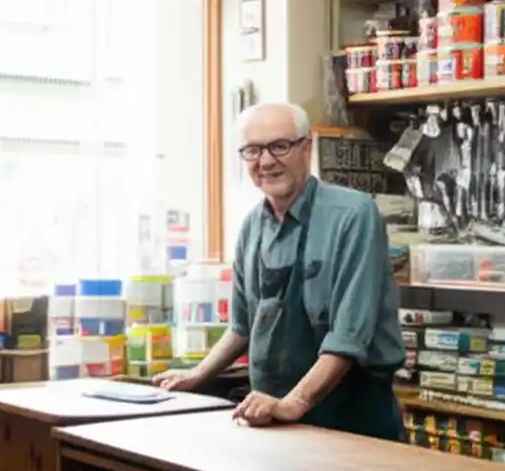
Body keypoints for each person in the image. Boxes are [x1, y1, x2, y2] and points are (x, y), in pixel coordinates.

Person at [153, 103, 404, 439]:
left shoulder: (353, 216)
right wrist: (196, 375)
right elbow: (241, 327)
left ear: (306, 147)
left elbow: (348, 338)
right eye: (253, 150)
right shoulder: (252, 227)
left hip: (351, 416)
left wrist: (294, 403)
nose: (266, 161)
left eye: (280, 146)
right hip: (276, 417)